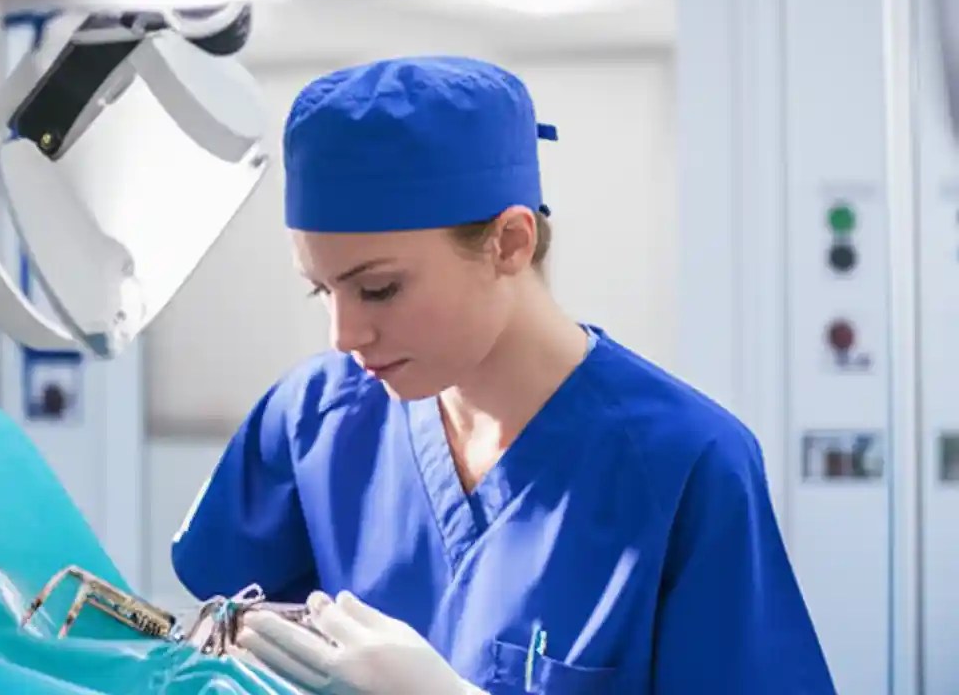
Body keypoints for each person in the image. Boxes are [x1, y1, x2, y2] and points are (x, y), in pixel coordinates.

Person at [170, 55, 836, 695]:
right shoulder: (311, 418)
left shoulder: (684, 464)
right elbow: (221, 646)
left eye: (377, 290)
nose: (345, 337)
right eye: (321, 291)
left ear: (510, 243)